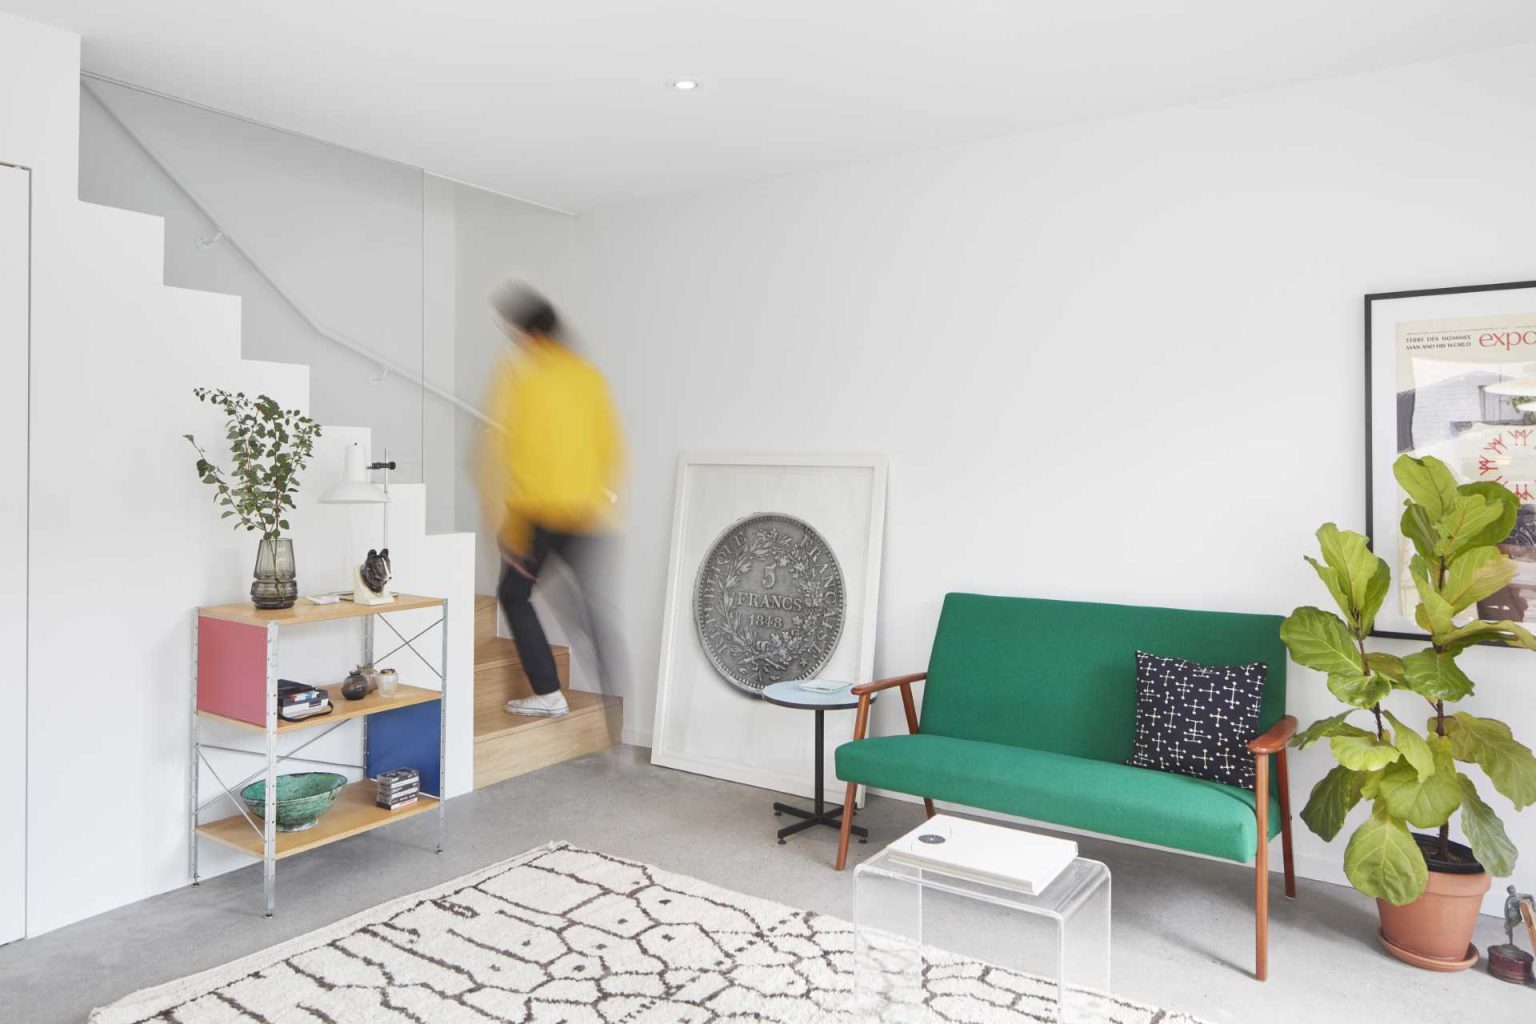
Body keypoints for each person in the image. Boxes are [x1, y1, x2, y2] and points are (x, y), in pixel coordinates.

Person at [477, 280, 623, 717]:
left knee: (515, 594)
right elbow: (610, 447)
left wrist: (510, 528)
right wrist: (603, 504)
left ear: (524, 331)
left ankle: (548, 692)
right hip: (588, 515)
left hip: (538, 512)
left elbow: (504, 451)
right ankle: (616, 716)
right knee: (591, 614)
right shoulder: (588, 376)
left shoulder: (520, 372)